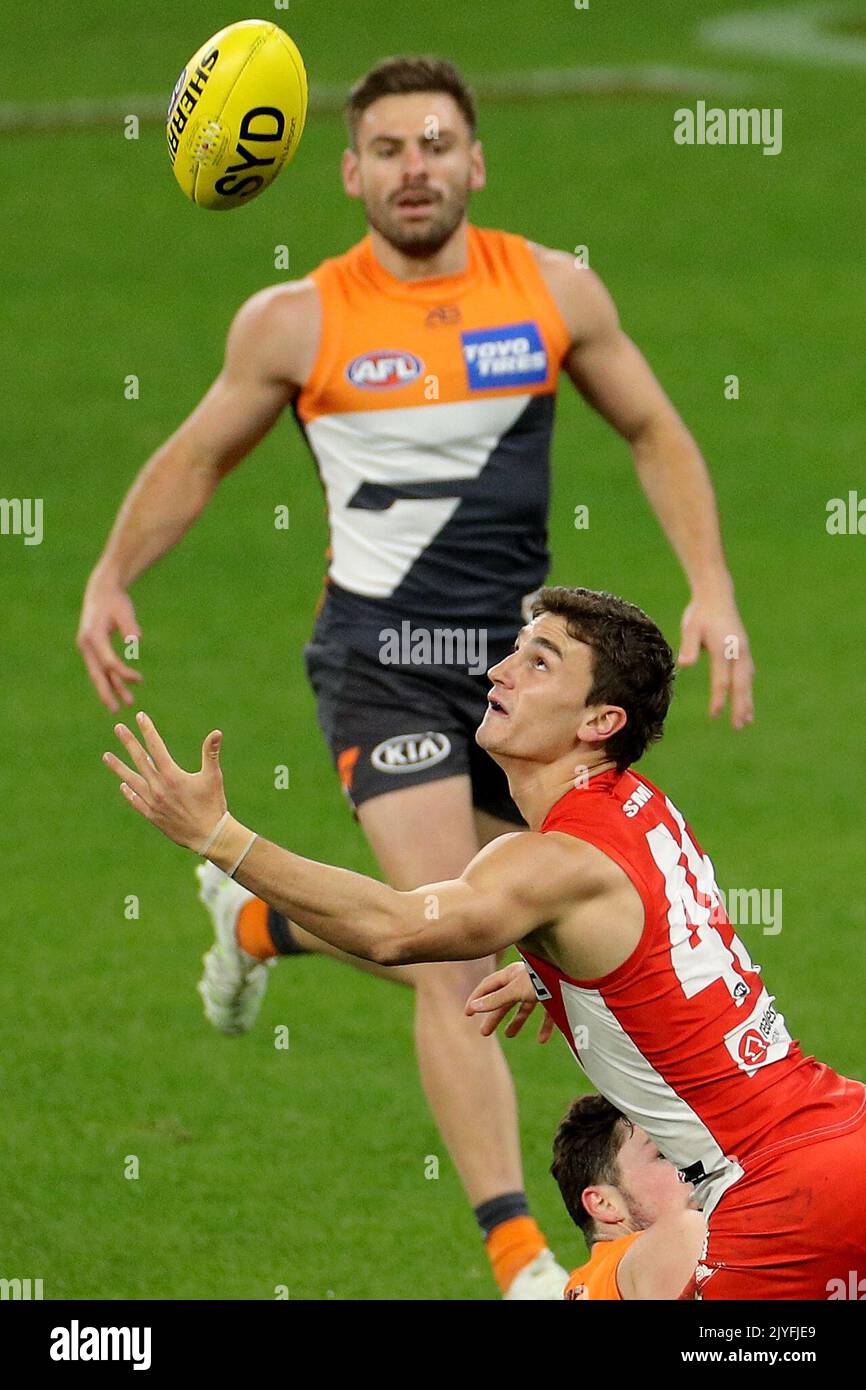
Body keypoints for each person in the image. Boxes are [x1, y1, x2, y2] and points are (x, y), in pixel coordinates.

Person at [81, 53, 754, 1297]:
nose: (414, 169)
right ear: (347, 172)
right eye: (388, 149)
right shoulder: (293, 321)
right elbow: (197, 454)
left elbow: (654, 425)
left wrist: (707, 584)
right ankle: (521, 1262)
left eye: (435, 144)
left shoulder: (552, 292)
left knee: (484, 924)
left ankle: (260, 921)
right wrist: (111, 572)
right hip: (378, 662)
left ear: (475, 161)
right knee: (449, 956)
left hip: (514, 681)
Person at [102, 584, 864, 1299]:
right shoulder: (640, 809)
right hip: (844, 1130)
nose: (500, 671)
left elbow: (393, 929)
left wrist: (219, 836)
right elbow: (672, 945)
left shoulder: (549, 861)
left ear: (599, 723)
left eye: (541, 662)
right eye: (515, 651)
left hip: (782, 1192)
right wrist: (557, 977)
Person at [551, 1094, 704, 1300]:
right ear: (604, 1203)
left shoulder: (586, 1285)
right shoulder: (684, 1233)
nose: (696, 1165)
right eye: (664, 1154)